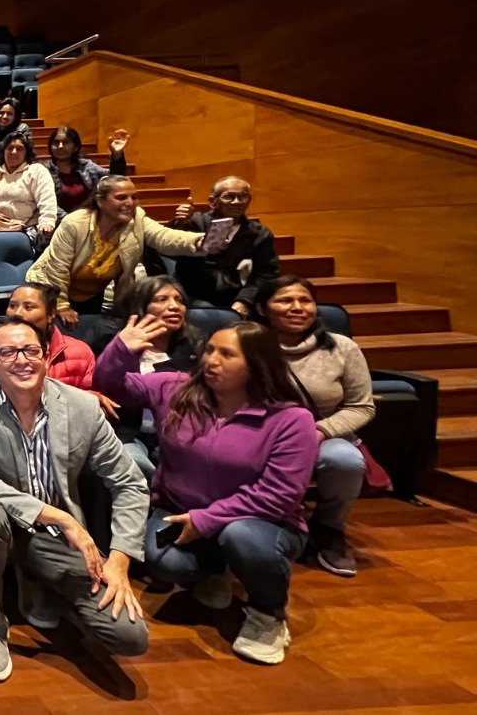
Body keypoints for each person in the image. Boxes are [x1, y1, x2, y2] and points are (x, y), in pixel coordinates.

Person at [96, 317, 318, 665]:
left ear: (257, 364)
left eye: (226, 354)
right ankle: (216, 571)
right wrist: (121, 348)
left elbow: (280, 494)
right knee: (164, 561)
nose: (211, 360)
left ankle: (268, 615)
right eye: (210, 350)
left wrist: (207, 519)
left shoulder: (292, 420)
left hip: (260, 521)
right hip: (178, 508)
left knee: (242, 537)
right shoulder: (175, 388)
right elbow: (112, 386)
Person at [0, 316, 150, 683]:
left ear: (46, 355)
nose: (21, 360)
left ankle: (37, 577)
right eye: (7, 352)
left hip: (53, 538)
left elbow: (130, 482)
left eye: (30, 350)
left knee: (130, 636)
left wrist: (120, 558)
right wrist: (59, 517)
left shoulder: (82, 407)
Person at [255, 275, 375, 577]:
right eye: (285, 300)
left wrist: (319, 432)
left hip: (322, 434)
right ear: (262, 308)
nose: (297, 308)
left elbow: (361, 405)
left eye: (305, 301)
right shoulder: (246, 345)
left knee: (345, 459)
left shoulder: (342, 348)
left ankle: (329, 528)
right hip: (257, 434)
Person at [27, 175, 223, 325]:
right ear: (100, 201)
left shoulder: (137, 219)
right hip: (48, 291)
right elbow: (57, 269)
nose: (130, 203)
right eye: (121, 197)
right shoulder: (74, 223)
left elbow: (164, 237)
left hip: (90, 295)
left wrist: (199, 242)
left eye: (134, 197)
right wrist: (61, 305)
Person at [86, 276, 202, 481]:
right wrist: (120, 352)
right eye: (161, 299)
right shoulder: (113, 343)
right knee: (131, 462)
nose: (174, 306)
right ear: (140, 306)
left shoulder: (196, 348)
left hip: (182, 435)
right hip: (129, 434)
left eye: (179, 300)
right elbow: (107, 387)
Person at [0, 282, 100, 416]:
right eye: (13, 305)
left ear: (50, 315)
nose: (18, 313)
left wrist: (94, 400)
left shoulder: (79, 352)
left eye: (29, 307)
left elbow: (88, 395)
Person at [167, 176, 280, 315]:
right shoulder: (194, 222)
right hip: (193, 294)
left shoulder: (259, 234)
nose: (237, 202)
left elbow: (266, 273)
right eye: (229, 196)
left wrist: (244, 301)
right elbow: (169, 248)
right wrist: (179, 223)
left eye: (243, 197)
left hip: (237, 295)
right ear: (213, 202)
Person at [0, 133, 56, 249]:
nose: (14, 152)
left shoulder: (36, 171)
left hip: (24, 231)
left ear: (26, 153)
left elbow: (47, 199)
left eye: (19, 149)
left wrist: (47, 221)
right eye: (9, 148)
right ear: (3, 151)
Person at [45, 127, 130, 214]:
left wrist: (116, 154)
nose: (60, 146)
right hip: (58, 222)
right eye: (56, 143)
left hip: (88, 219)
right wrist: (71, 221)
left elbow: (114, 178)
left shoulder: (86, 167)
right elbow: (46, 204)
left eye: (66, 142)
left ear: (76, 147)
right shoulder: (43, 171)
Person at [0, 98, 34, 167]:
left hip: (19, 170)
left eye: (9, 114)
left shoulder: (22, 129)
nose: (4, 116)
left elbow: (27, 156)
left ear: (15, 117)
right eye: (1, 113)